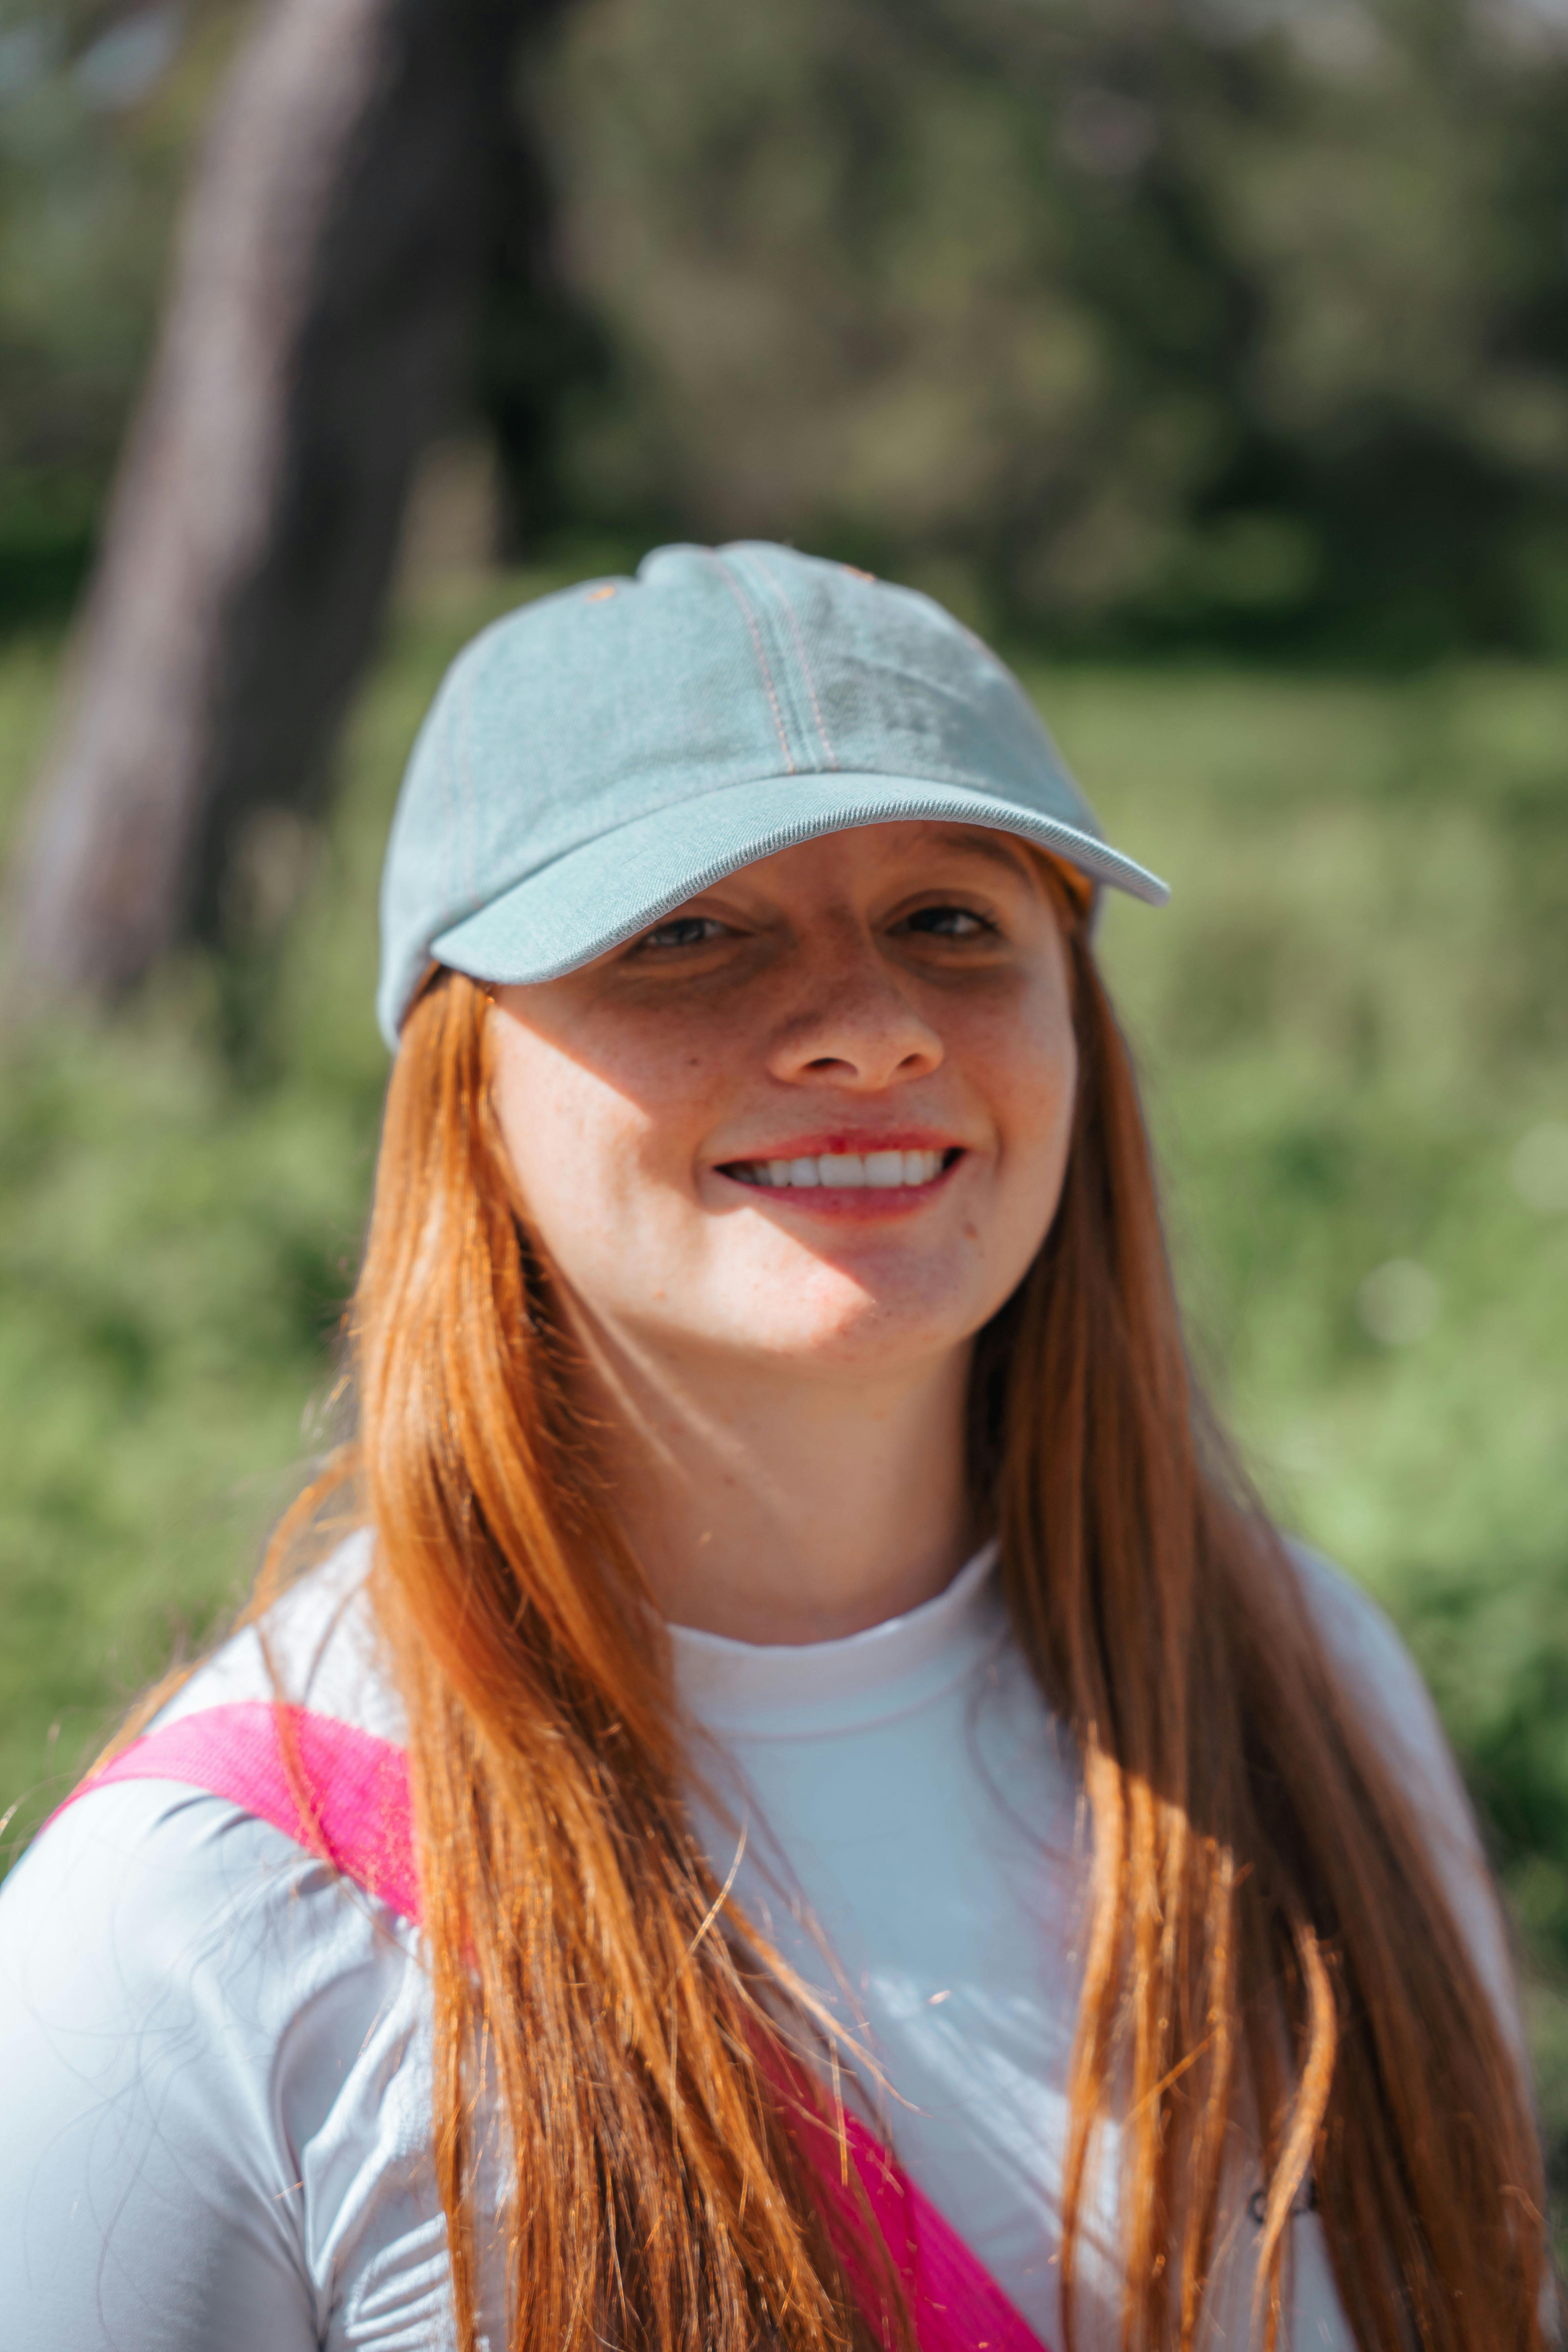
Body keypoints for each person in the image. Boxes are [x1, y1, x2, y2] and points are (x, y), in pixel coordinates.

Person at [0, 543, 1545, 2352]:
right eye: (688, 932)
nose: (874, 1027)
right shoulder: (201, 1934)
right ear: (460, 1084)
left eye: (953, 922)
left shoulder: (1311, 1697)